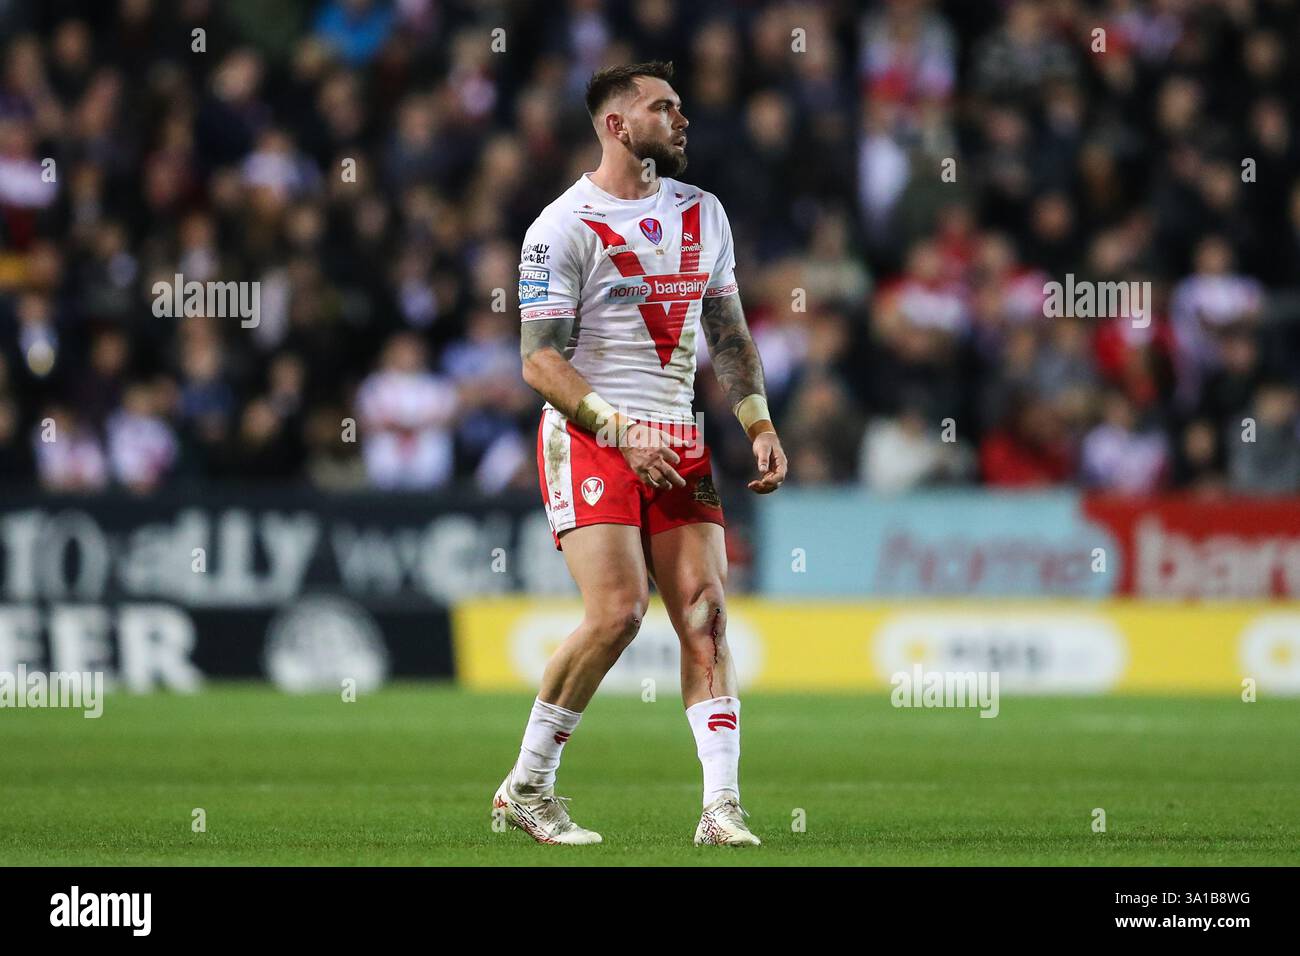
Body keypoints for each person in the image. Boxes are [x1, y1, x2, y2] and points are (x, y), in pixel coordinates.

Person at [493, 61, 787, 847]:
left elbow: (727, 333)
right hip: (593, 436)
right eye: (663, 108)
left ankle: (720, 808)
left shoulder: (704, 213)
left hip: (680, 437)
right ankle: (528, 786)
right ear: (618, 126)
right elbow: (538, 361)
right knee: (619, 613)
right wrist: (621, 429)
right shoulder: (561, 226)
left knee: (707, 614)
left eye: (682, 106)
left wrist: (758, 424)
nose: (682, 118)